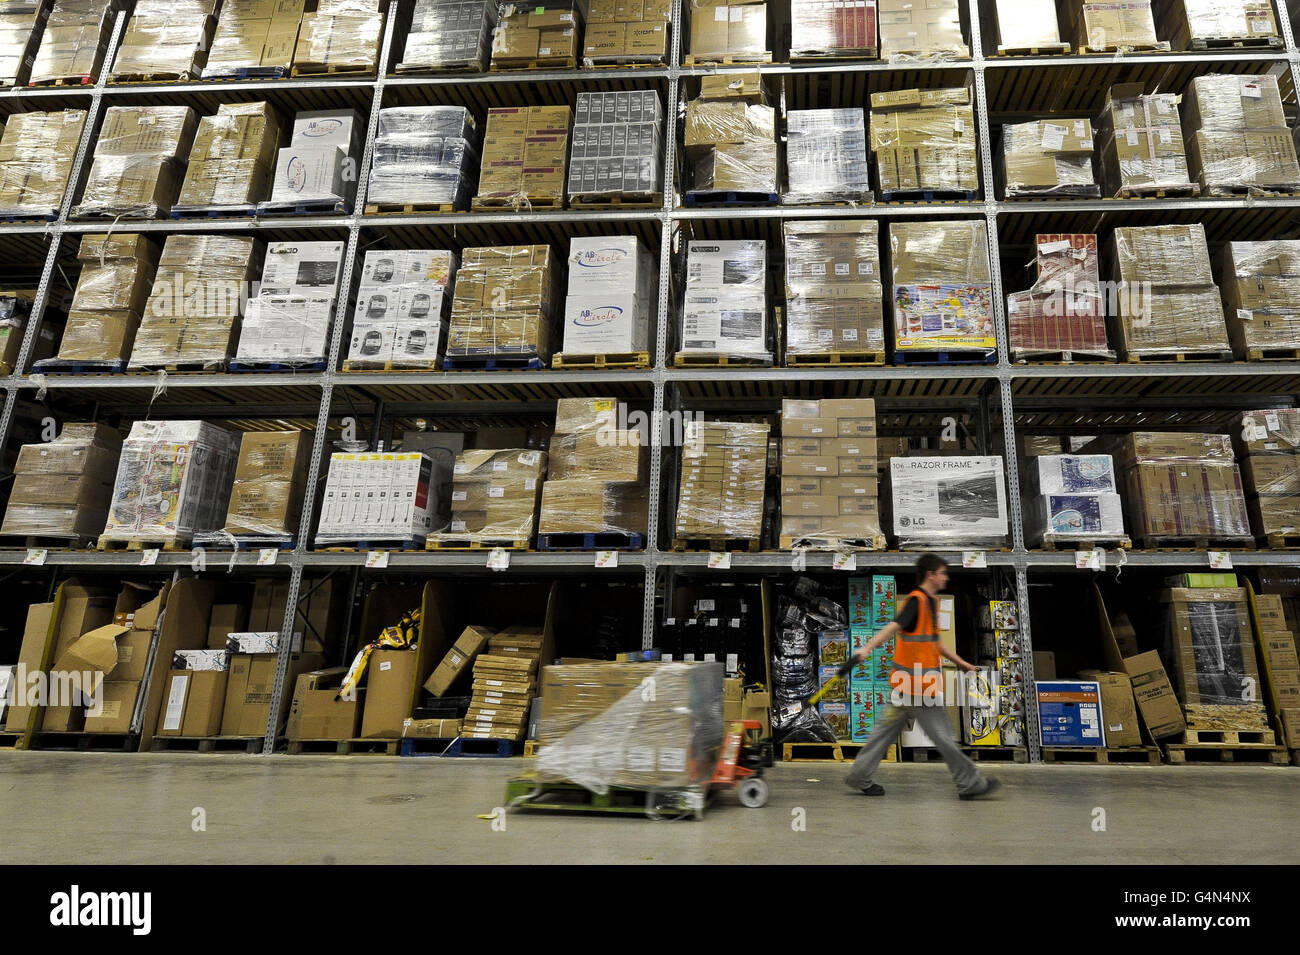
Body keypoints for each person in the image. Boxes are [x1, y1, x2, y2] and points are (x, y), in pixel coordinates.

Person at [844, 553, 1001, 800]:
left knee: (883, 733)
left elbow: (935, 642)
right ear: (931, 575)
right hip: (919, 689)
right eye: (942, 573)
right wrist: (866, 649)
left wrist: (960, 663)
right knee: (944, 737)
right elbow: (893, 627)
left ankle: (858, 776)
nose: (946, 578)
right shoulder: (916, 601)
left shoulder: (931, 603)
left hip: (908, 688)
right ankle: (970, 783)